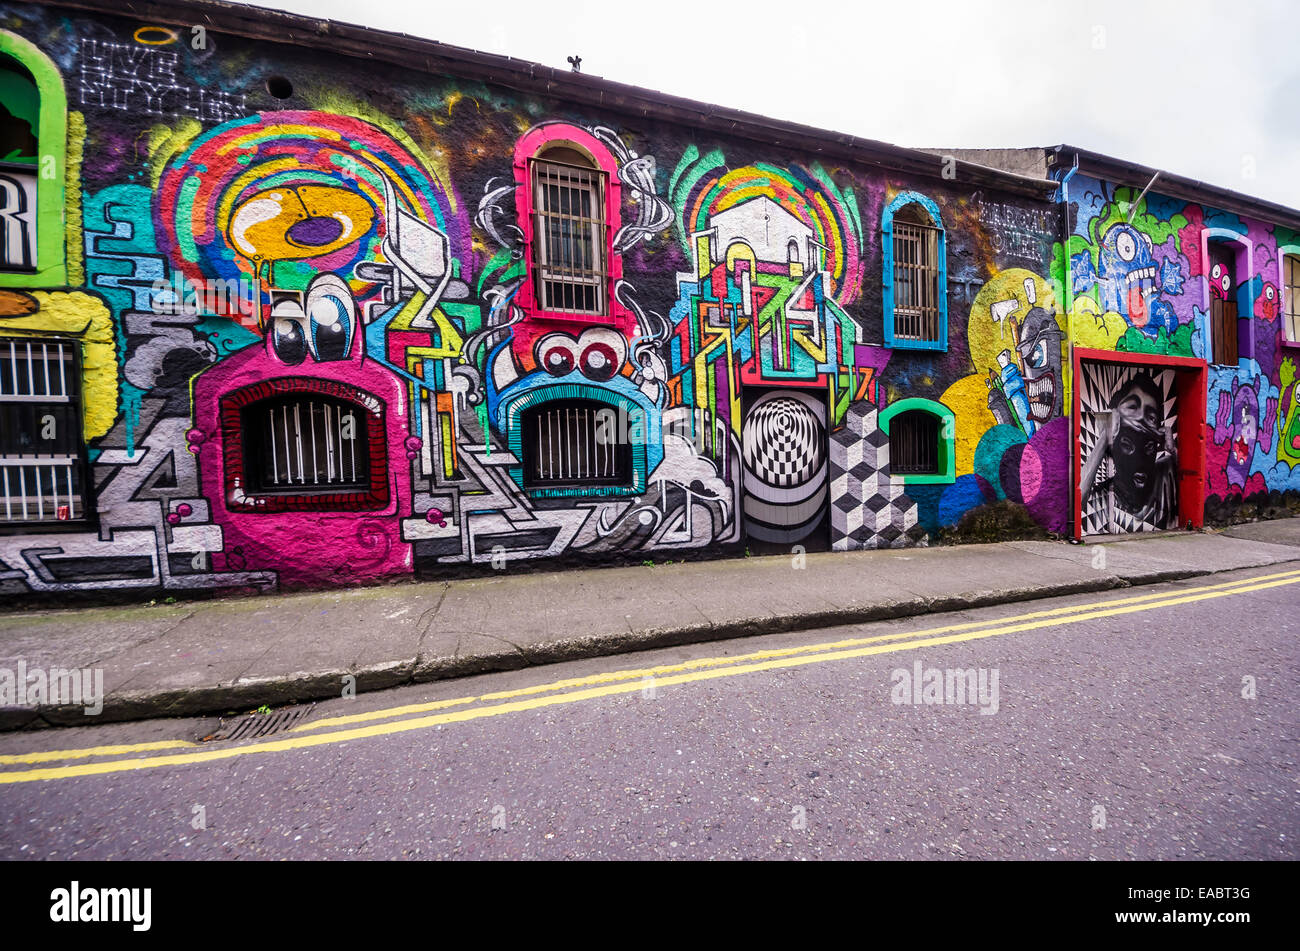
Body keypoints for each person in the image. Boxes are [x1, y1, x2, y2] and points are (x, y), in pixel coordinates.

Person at [1081, 372, 1177, 530]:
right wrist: (1106, 435)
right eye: (1133, 406)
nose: (1140, 418)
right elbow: (1078, 503)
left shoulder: (1165, 475)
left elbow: (1194, 481)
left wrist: (1173, 451)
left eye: (1151, 415)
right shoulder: (1103, 494)